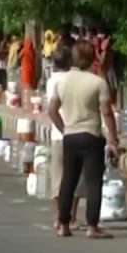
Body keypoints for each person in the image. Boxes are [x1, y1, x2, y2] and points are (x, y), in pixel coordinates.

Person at [49, 40, 120, 239]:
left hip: (70, 136)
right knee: (93, 182)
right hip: (91, 136)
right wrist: (113, 140)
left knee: (68, 181)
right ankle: (92, 226)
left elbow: (52, 110)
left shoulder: (62, 81)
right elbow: (106, 113)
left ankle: (63, 224)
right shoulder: (97, 83)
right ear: (92, 59)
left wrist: (65, 129)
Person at [46, 45, 84, 229]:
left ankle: (58, 217)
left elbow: (51, 109)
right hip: (74, 132)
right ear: (70, 61)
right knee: (74, 177)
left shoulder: (51, 81)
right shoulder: (73, 80)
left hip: (57, 134)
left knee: (58, 178)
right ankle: (73, 217)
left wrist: (61, 129)